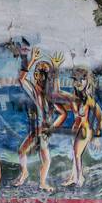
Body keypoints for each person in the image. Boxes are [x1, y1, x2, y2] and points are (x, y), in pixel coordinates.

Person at [14, 49, 67, 190]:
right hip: (38, 129)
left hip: (42, 130)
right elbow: (21, 79)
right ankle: (29, 176)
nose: (39, 76)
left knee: (41, 157)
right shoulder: (34, 90)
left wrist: (51, 127)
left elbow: (63, 112)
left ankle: (39, 181)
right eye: (37, 72)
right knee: (28, 153)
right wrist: (32, 60)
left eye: (42, 73)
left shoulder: (48, 94)